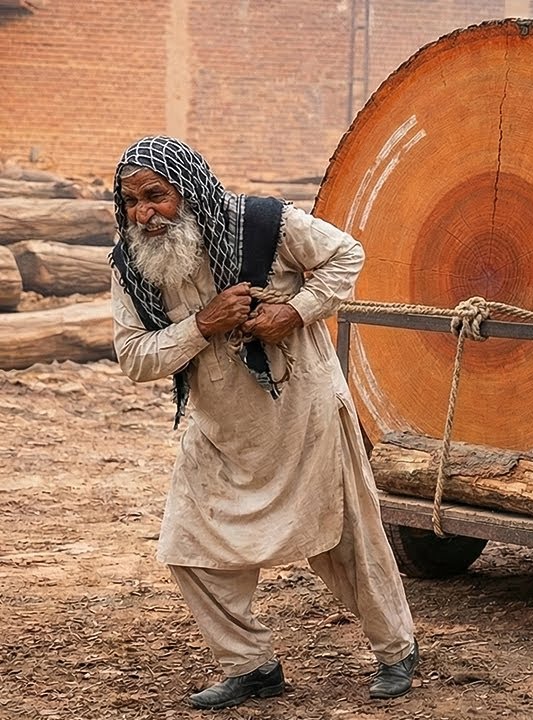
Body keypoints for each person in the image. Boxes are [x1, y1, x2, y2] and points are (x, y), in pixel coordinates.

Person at [108, 136, 419, 710]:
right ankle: (250, 666)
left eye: (156, 195)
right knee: (189, 546)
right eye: (131, 201)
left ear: (189, 191)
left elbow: (346, 255)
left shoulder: (263, 224)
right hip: (220, 430)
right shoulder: (132, 264)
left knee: (346, 538)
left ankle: (396, 650)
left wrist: (294, 311)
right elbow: (134, 357)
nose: (143, 213)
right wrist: (201, 326)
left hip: (304, 414)